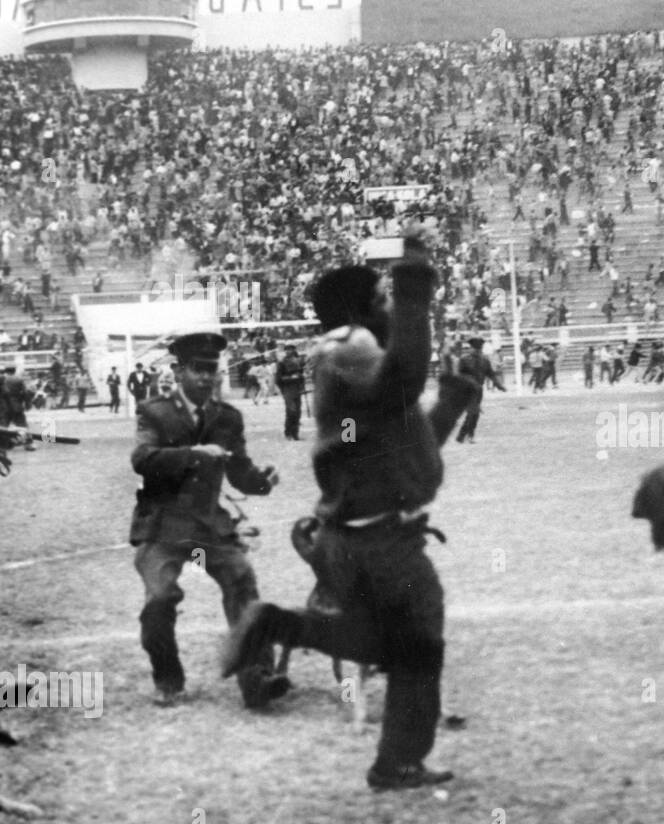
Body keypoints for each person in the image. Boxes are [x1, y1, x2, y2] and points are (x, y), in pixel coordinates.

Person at [221, 238, 479, 791]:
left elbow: (409, 457)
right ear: (359, 312)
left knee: (383, 646)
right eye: (382, 298)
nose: (390, 307)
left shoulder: (357, 368)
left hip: (352, 537)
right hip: (382, 541)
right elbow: (407, 379)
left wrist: (453, 401)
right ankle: (399, 761)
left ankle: (279, 625)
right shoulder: (350, 346)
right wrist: (414, 283)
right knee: (419, 647)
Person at [129, 331, 284, 708]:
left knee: (242, 580)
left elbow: (239, 472)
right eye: (197, 370)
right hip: (163, 525)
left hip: (208, 527)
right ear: (179, 371)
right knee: (160, 599)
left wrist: (261, 481)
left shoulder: (228, 418)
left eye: (211, 370)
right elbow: (143, 459)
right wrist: (195, 454)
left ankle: (257, 677)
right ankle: (168, 678)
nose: (205, 378)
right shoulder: (155, 411)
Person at [456, 336, 504, 443]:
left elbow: (491, 374)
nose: (477, 351)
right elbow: (459, 375)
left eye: (479, 349)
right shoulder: (464, 359)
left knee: (473, 413)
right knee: (474, 412)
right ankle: (470, 435)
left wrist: (499, 385)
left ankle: (461, 436)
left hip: (479, 391)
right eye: (475, 349)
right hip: (467, 390)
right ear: (470, 348)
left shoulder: (484, 360)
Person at [275, 343, 307, 440]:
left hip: (297, 389)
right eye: (287, 350)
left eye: (291, 350)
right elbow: (278, 379)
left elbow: (302, 375)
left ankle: (295, 434)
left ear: (294, 351)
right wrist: (290, 379)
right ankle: (288, 432)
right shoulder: (282, 363)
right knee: (291, 411)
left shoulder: (299, 362)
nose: (289, 351)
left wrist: (301, 381)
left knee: (298, 412)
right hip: (288, 388)